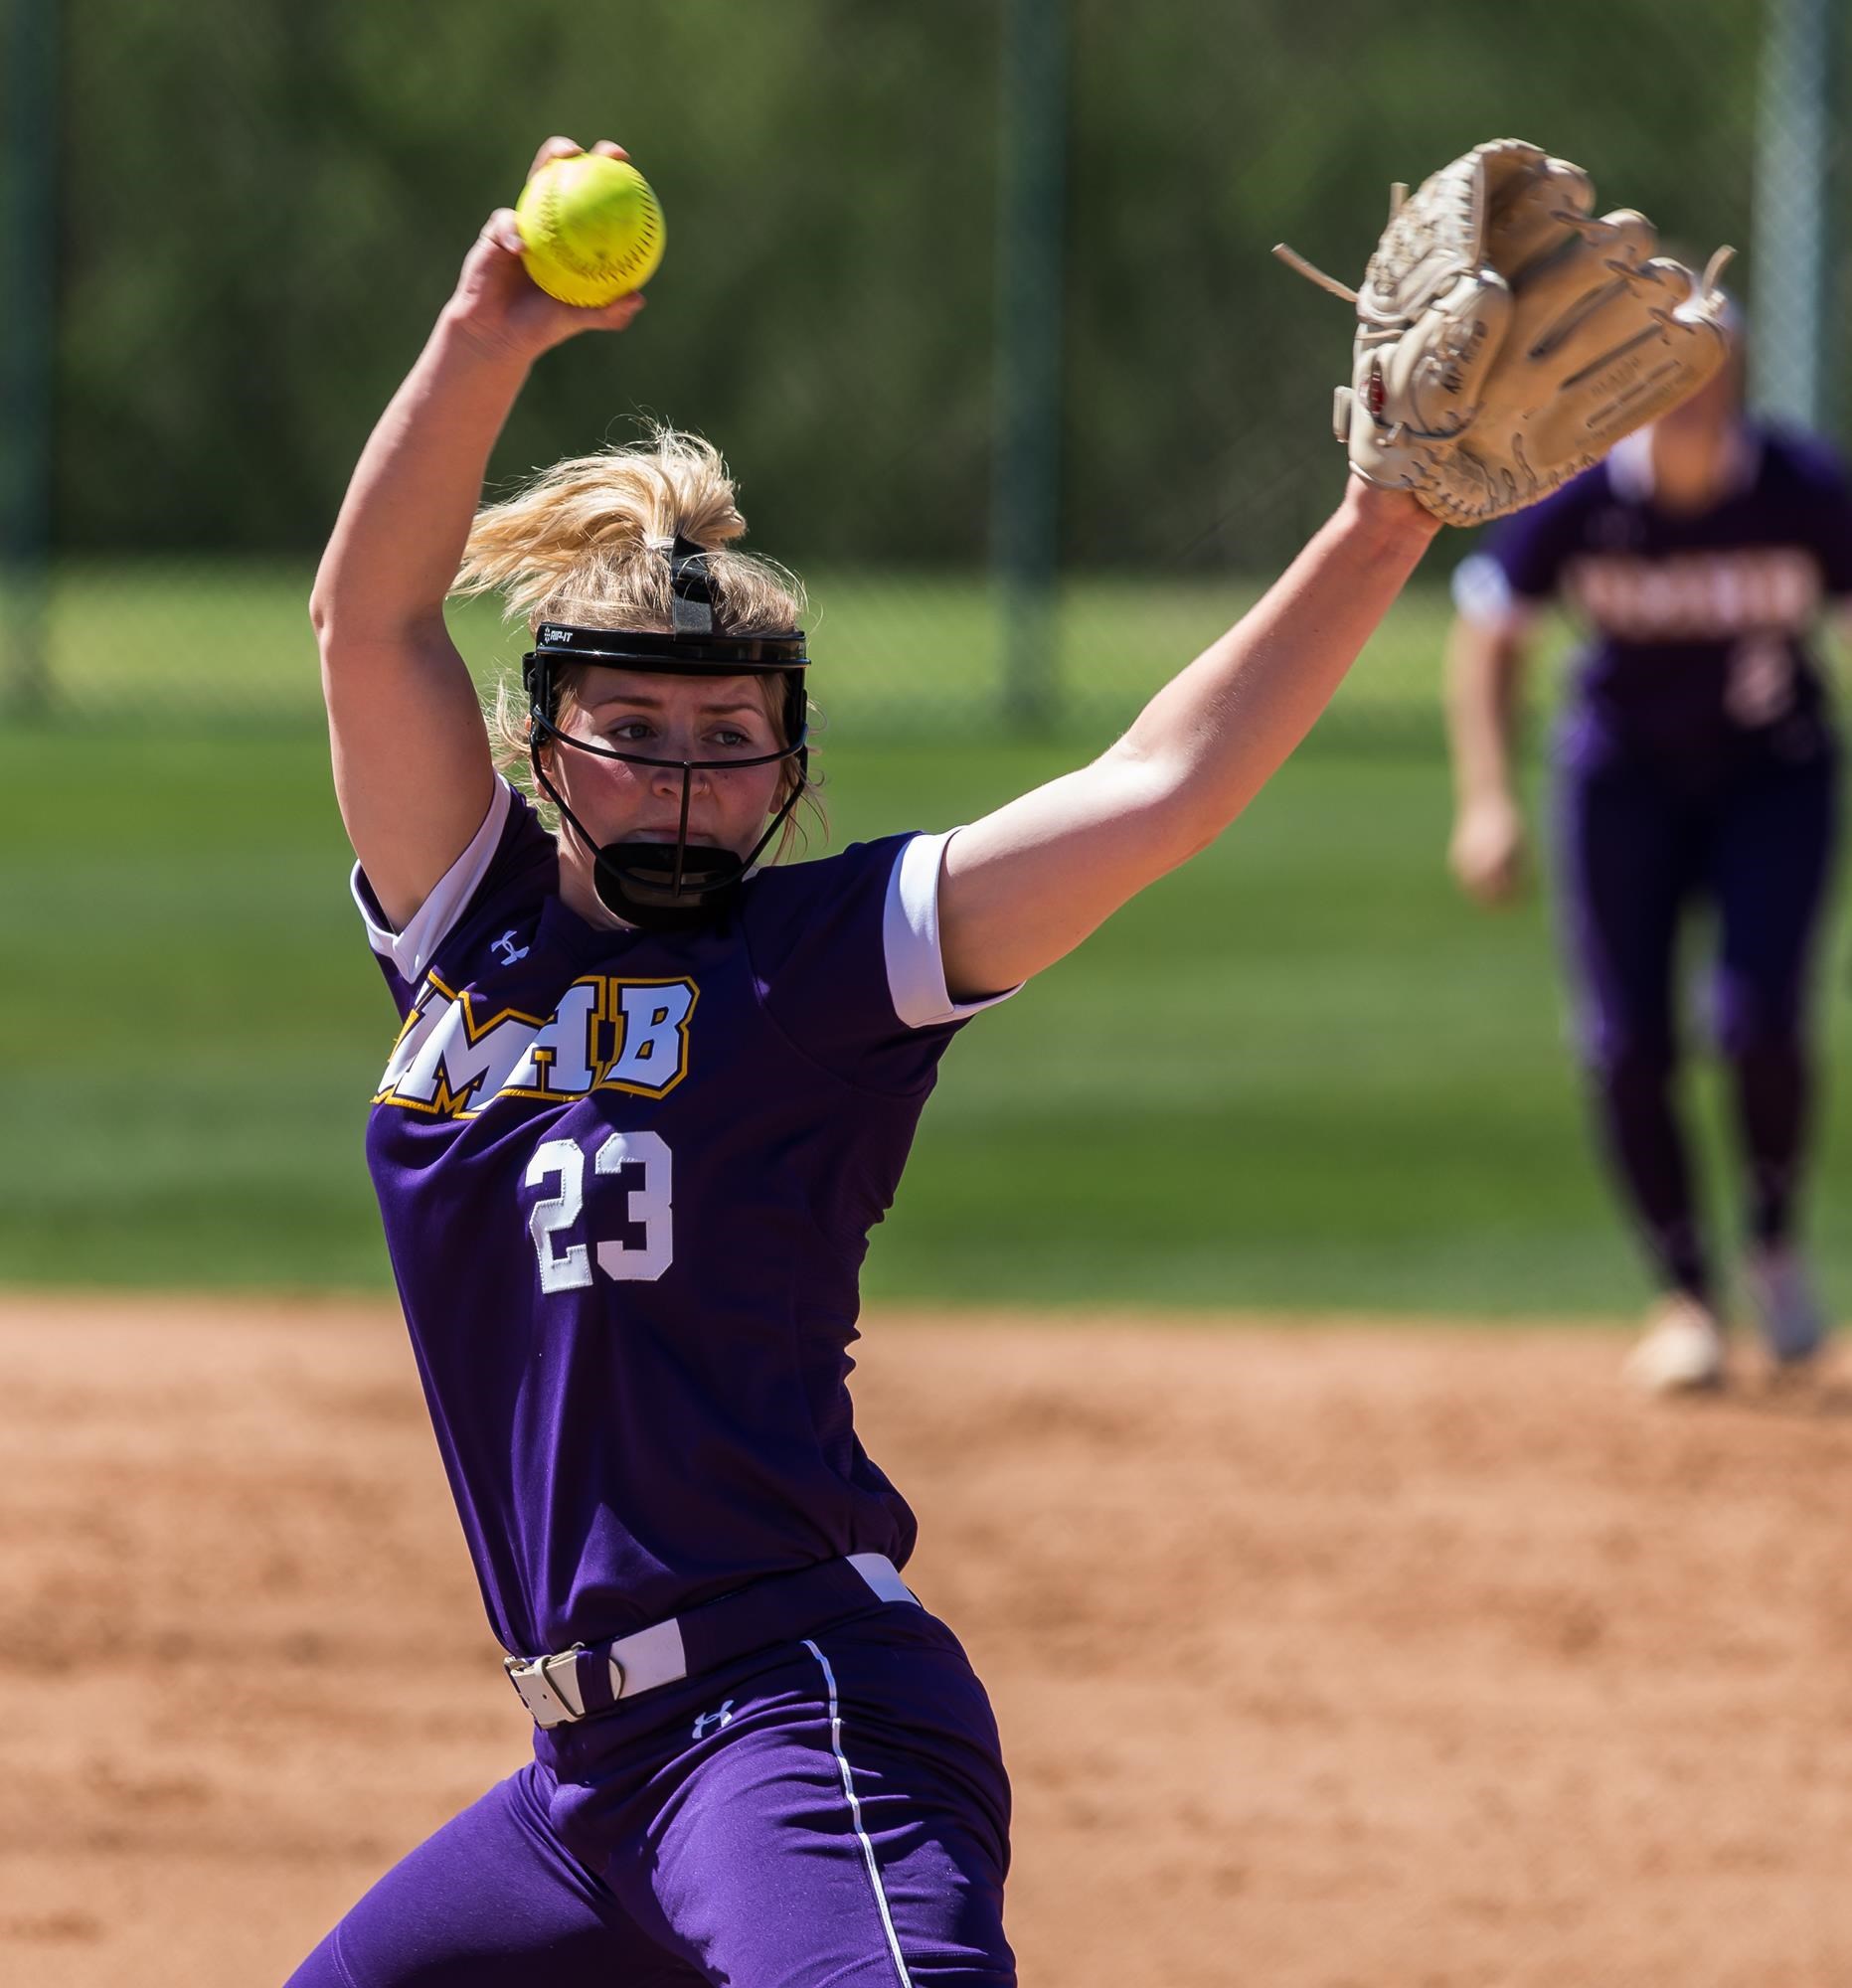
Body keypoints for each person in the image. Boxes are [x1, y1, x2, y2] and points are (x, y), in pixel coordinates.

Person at [293, 134, 1692, 1984]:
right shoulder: (464, 937)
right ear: (540, 739)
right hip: (573, 1792)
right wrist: (488, 335)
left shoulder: (819, 965)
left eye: (730, 734)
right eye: (632, 728)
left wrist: (1386, 520)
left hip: (794, 1726)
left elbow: (1155, 787)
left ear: (788, 763)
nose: (685, 772)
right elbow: (367, 619)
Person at [1444, 327, 1852, 1393]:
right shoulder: (1578, 491)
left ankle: (1773, 1249)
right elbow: (1489, 636)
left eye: (1700, 363)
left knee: (1759, 1019)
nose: (1679, 388)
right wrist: (1488, 802)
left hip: (1775, 777)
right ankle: (1686, 1297)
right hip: (1621, 786)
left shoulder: (1801, 487)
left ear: (1737, 375)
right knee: (1627, 1044)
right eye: (1651, 362)